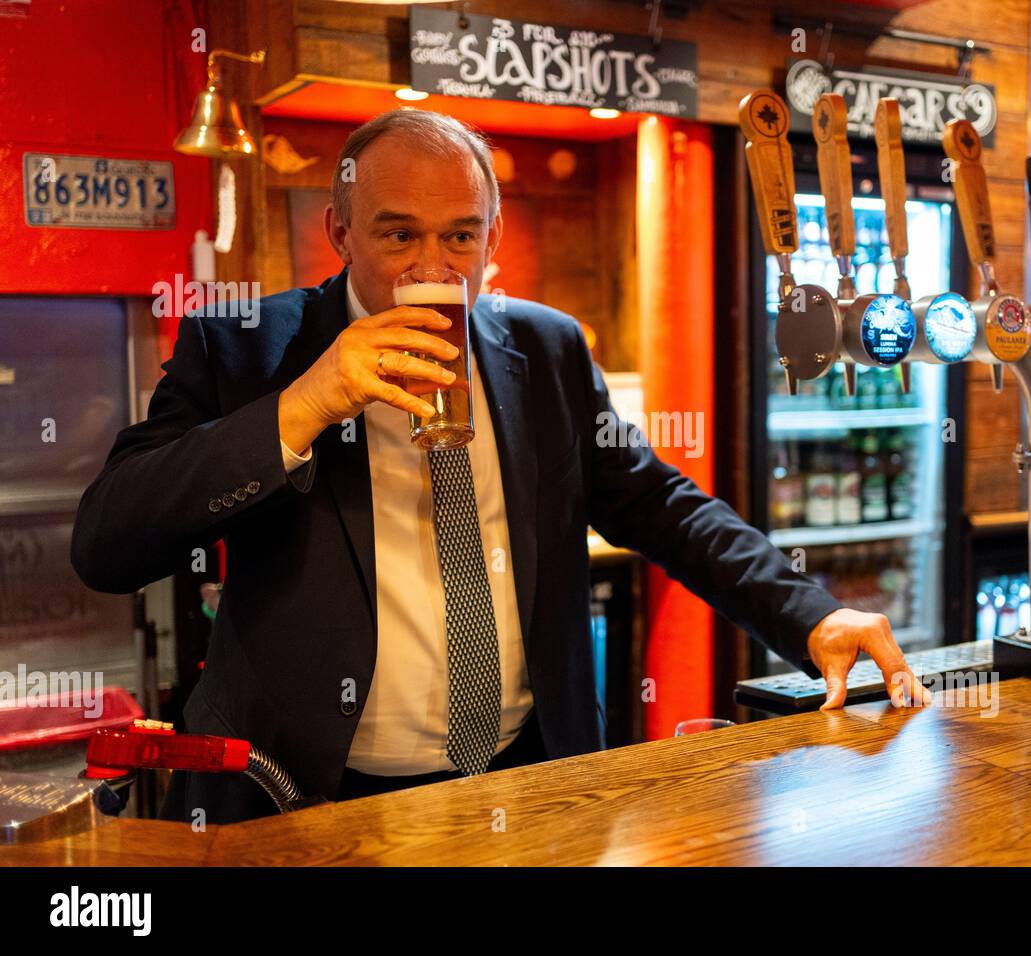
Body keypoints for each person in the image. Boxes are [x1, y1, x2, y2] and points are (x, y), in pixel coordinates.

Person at [71, 109, 930, 824]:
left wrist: (809, 614)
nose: (433, 268)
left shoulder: (543, 347)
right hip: (306, 797)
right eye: (399, 234)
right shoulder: (248, 346)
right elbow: (108, 543)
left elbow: (657, 505)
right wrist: (303, 405)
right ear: (340, 233)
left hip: (526, 783)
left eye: (459, 236)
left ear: (492, 240)